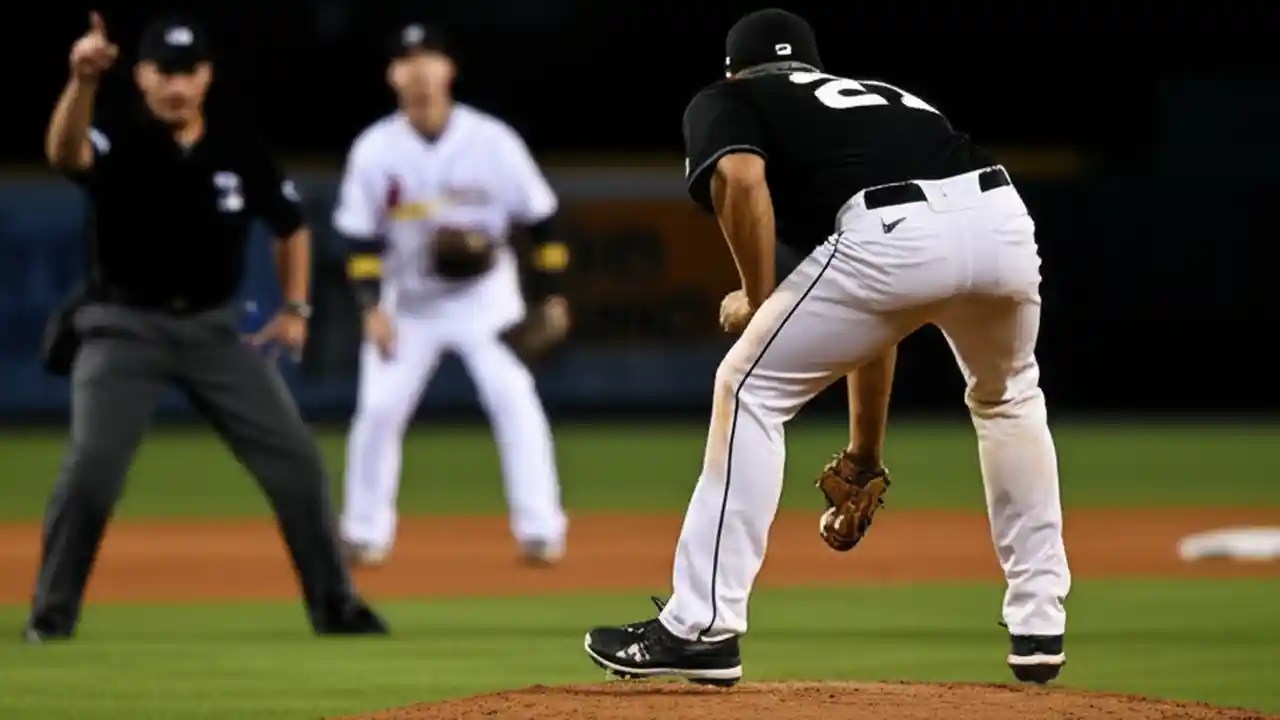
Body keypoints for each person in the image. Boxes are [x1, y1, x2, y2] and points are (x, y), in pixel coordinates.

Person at [584, 8, 1070, 686]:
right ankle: (1039, 622)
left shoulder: (729, 97)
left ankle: (703, 627)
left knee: (747, 389)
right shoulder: (885, 100)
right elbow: (878, 317)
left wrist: (757, 296)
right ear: (812, 66)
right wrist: (864, 454)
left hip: (891, 229)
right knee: (1009, 399)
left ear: (736, 69)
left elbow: (740, 179)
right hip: (1001, 218)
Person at [27, 12, 387, 641]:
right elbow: (66, 153)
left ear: (207, 76)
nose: (176, 84)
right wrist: (81, 81)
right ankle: (51, 617)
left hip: (214, 331)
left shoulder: (236, 145)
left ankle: (337, 608)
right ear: (141, 75)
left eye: (188, 71)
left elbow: (290, 225)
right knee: (93, 471)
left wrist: (295, 307)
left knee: (297, 463)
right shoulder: (115, 132)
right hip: (123, 328)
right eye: (164, 71)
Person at [334, 22, 571, 568]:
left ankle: (541, 529)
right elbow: (360, 239)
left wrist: (552, 297)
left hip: (486, 300)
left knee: (515, 400)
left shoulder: (492, 142)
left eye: (430, 59)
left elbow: (544, 222)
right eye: (407, 61)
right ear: (393, 75)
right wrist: (372, 308)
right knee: (378, 410)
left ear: (449, 69)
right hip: (408, 302)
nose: (419, 72)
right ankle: (365, 534)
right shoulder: (375, 149)